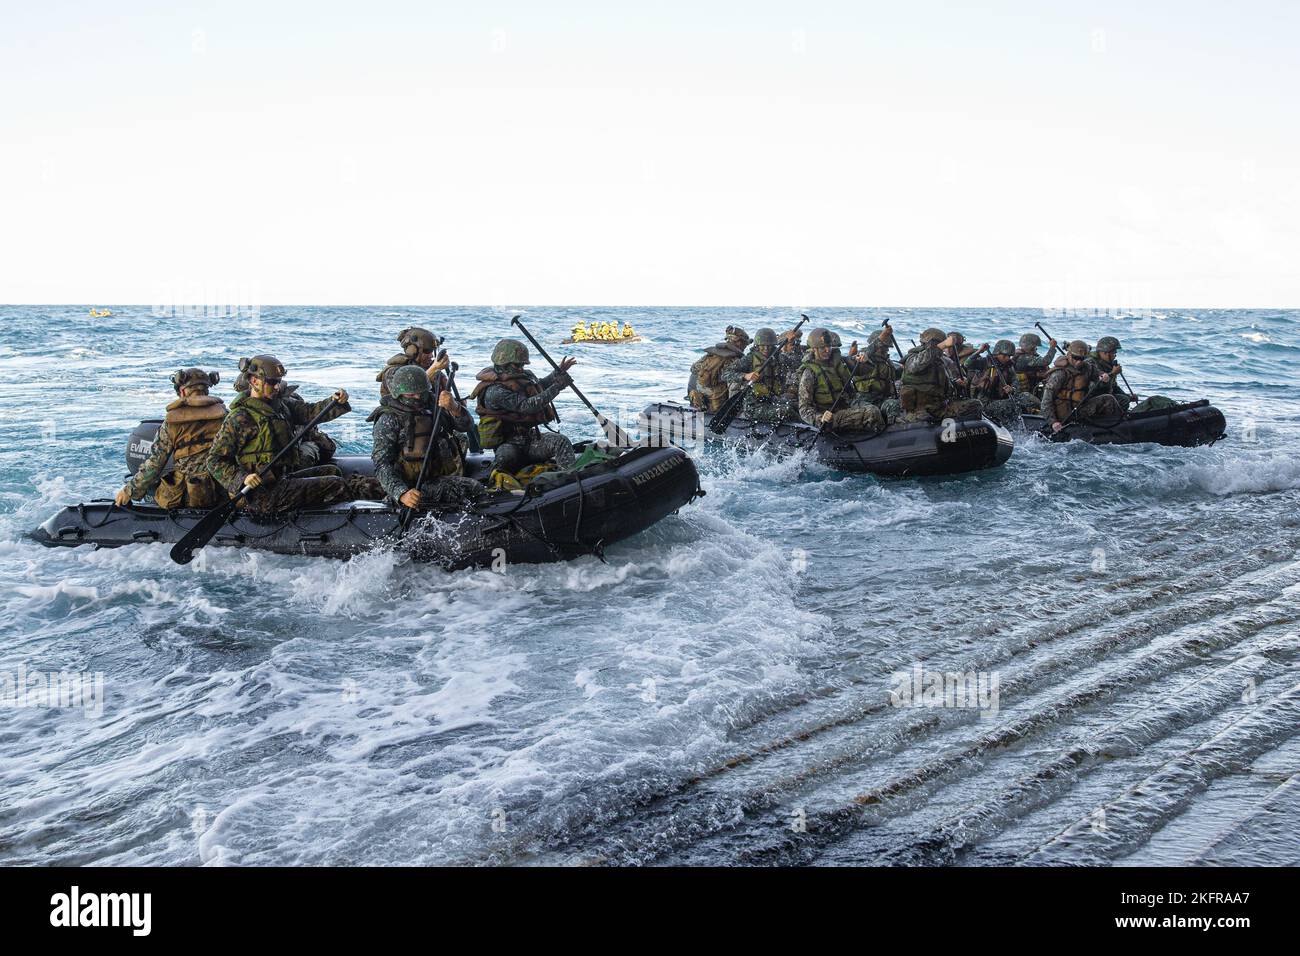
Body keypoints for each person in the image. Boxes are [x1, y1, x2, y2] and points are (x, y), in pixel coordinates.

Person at [206, 354, 364, 512]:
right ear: (254, 381)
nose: (277, 387)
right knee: (335, 483)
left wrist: (334, 401)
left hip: (283, 479)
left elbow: (309, 412)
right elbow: (215, 460)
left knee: (333, 471)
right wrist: (243, 478)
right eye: (272, 382)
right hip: (262, 494)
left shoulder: (281, 406)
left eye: (278, 381)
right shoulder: (240, 418)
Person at [370, 365, 485, 508]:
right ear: (398, 394)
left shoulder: (434, 405)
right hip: (411, 486)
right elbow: (381, 463)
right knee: (473, 488)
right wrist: (401, 493)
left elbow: (466, 426)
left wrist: (455, 408)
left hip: (436, 476)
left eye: (421, 392)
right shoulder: (389, 419)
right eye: (411, 395)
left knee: (475, 488)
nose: (418, 397)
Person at [114, 368, 227, 509]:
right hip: (220, 494)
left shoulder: (172, 423)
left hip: (186, 496)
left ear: (183, 391)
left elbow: (155, 463)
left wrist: (129, 490)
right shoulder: (226, 417)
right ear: (207, 390)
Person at [469, 338, 577, 474]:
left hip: (529, 439)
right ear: (504, 364)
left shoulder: (519, 376)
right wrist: (558, 387)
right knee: (506, 458)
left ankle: (570, 479)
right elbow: (526, 406)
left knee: (561, 442)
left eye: (522, 365)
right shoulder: (495, 391)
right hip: (508, 443)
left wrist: (556, 374)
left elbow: (539, 386)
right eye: (517, 365)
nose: (521, 369)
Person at [232, 371, 338, 468]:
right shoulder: (240, 415)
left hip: (294, 455)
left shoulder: (284, 405)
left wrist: (335, 401)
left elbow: (310, 413)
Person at [796, 328, 884, 432]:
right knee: (872, 413)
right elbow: (804, 408)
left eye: (829, 346)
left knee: (879, 409)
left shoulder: (839, 360)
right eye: (822, 348)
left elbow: (862, 370)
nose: (827, 350)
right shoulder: (809, 373)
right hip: (830, 415)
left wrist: (864, 359)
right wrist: (819, 418)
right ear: (814, 349)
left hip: (847, 404)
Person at [897, 328, 982, 423]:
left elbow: (941, 387)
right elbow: (917, 364)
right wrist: (942, 345)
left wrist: (956, 383)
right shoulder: (913, 358)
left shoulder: (940, 361)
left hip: (940, 407)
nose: (944, 349)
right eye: (940, 344)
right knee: (926, 421)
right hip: (920, 410)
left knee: (975, 405)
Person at [1040, 340, 1121, 432]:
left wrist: (1104, 376)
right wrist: (1053, 422)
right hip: (1064, 414)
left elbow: (1098, 374)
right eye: (1076, 358)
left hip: (1079, 409)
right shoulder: (1059, 374)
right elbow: (1046, 401)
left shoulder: (1087, 367)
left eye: (1082, 359)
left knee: (1109, 399)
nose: (1079, 362)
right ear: (1069, 355)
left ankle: (1117, 425)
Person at [721, 327, 794, 423]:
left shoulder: (777, 356)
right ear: (757, 345)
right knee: (787, 411)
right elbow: (725, 374)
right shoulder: (750, 359)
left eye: (769, 345)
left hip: (771, 400)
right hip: (753, 406)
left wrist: (790, 343)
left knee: (794, 405)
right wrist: (745, 376)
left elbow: (795, 363)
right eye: (762, 345)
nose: (766, 349)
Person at [376, 327, 450, 399]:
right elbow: (408, 389)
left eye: (432, 351)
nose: (431, 355)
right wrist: (433, 369)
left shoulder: (431, 369)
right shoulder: (393, 371)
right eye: (427, 351)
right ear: (413, 350)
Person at [686, 326, 749, 411]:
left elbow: (693, 369)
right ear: (739, 343)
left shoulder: (711, 355)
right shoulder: (734, 360)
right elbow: (733, 381)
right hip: (718, 400)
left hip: (702, 394)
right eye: (744, 344)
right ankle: (734, 411)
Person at [846, 328, 903, 423]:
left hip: (880, 398)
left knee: (893, 404)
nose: (886, 350)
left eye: (887, 348)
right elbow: (857, 359)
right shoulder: (863, 359)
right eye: (884, 347)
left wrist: (902, 369)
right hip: (862, 399)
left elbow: (893, 376)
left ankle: (892, 426)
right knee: (872, 411)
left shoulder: (886, 362)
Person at [969, 340, 1024, 427]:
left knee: (1025, 398)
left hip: (999, 400)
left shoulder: (1009, 367)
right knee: (1011, 405)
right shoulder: (984, 362)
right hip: (983, 403)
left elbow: (1016, 384)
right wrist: (979, 351)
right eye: (1004, 355)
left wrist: (1012, 389)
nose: (1007, 358)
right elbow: (968, 364)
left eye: (1009, 356)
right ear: (997, 353)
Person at [1013, 332, 1059, 398]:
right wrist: (1052, 348)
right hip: (1026, 392)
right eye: (1034, 347)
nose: (1035, 349)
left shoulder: (1026, 355)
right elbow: (1045, 361)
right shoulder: (1024, 358)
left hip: (1032, 386)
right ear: (1030, 347)